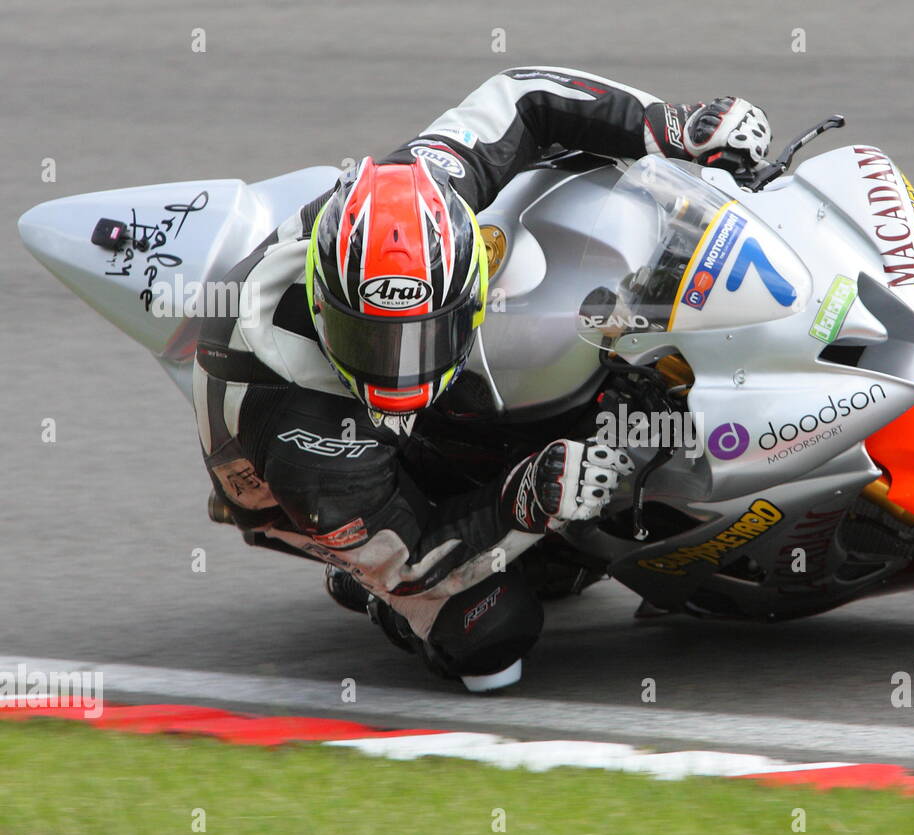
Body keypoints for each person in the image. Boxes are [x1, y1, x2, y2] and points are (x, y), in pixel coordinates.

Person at [193, 67, 773, 691]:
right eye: (373, 340)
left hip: (365, 393)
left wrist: (671, 128)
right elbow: (415, 562)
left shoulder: (425, 191)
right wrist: (521, 501)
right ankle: (364, 591)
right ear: (324, 307)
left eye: (426, 334)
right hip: (325, 490)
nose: (401, 369)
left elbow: (525, 98)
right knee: (492, 639)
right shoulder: (305, 446)